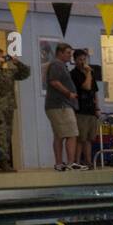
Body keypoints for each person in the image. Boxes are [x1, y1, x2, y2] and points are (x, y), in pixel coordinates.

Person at [44, 42, 82, 170]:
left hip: (57, 105)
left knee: (59, 135)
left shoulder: (61, 65)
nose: (70, 56)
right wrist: (68, 93)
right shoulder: (56, 64)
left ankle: (59, 164)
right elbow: (54, 81)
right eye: (67, 53)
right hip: (60, 105)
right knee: (72, 133)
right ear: (59, 53)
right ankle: (71, 163)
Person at [71, 48, 99, 168]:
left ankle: (88, 161)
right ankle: (76, 161)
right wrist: (88, 73)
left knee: (89, 138)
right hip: (80, 109)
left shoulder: (90, 73)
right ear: (75, 60)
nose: (82, 62)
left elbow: (94, 91)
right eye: (80, 59)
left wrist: (97, 107)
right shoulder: (74, 74)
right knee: (80, 138)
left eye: (84, 59)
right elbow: (86, 87)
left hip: (91, 110)